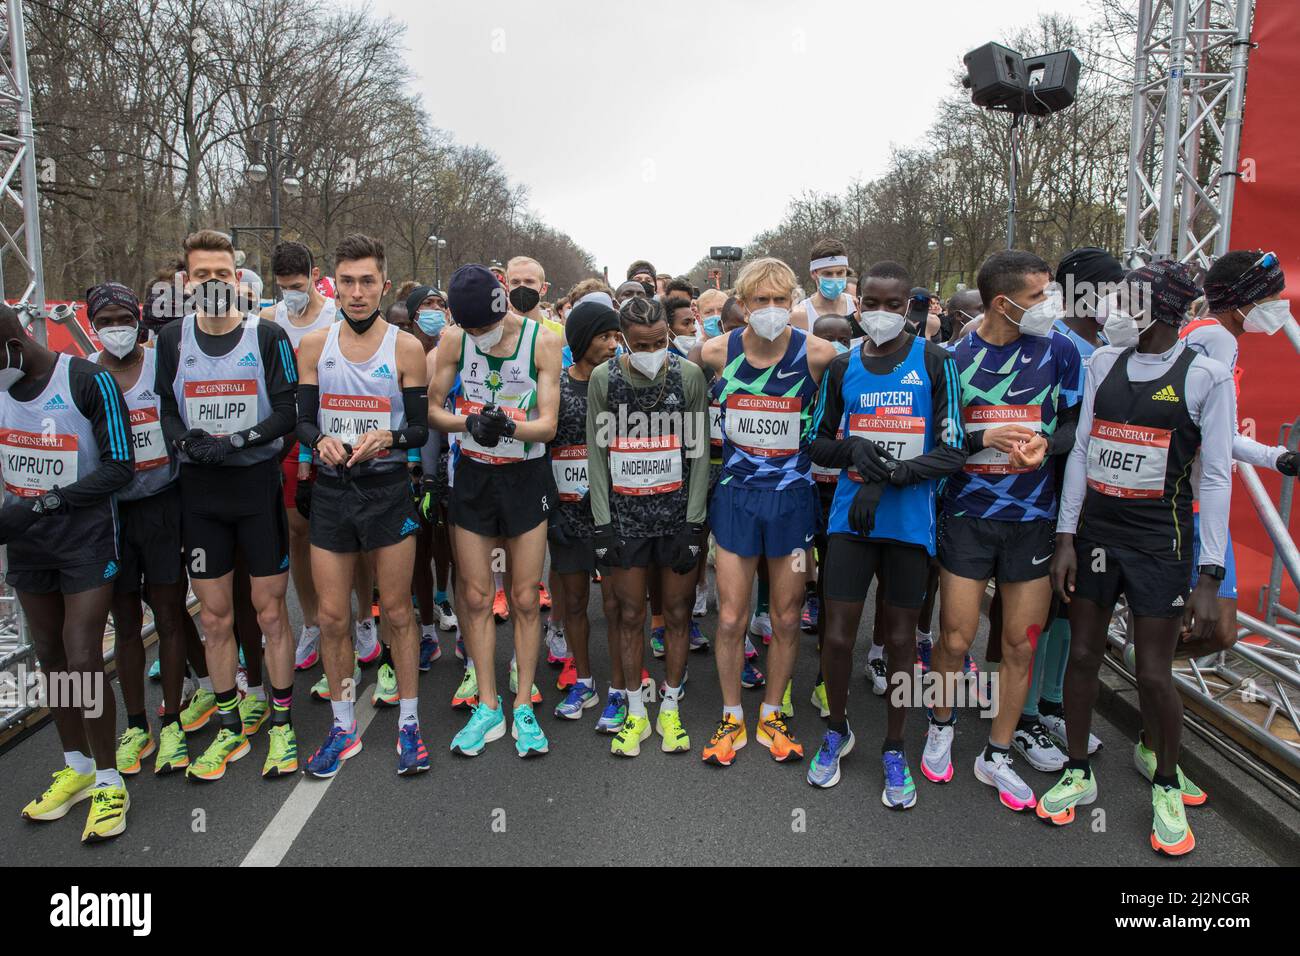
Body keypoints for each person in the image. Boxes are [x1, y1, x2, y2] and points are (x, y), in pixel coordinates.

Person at [1045, 260, 1234, 856]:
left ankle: (1166, 780)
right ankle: (1078, 769)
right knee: (1082, 654)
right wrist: (1066, 538)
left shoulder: (1205, 377)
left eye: (1126, 300)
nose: (1112, 310)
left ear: (1164, 308)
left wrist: (1210, 574)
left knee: (1153, 671)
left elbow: (1217, 478)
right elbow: (1081, 451)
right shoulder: (1104, 362)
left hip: (1161, 543)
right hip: (1098, 535)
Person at [923, 249, 1082, 813]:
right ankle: (940, 723)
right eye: (1040, 296)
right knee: (956, 638)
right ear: (1002, 303)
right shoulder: (949, 356)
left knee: (1020, 643)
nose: (1051, 306)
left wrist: (1045, 448)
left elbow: (1071, 426)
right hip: (966, 519)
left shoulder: (1060, 349)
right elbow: (935, 444)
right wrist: (981, 440)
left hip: (1032, 522)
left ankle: (996, 751)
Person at [807, 263, 966, 803]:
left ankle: (895, 747)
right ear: (858, 304)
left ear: (909, 308)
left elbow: (954, 450)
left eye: (893, 305)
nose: (881, 312)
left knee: (900, 641)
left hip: (906, 524)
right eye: (871, 301)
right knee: (836, 635)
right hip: (850, 522)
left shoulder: (936, 362)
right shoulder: (841, 367)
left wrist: (896, 474)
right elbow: (816, 442)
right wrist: (853, 450)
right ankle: (836, 730)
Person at [155, 229, 299, 783]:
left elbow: (287, 412)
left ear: (237, 279)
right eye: (201, 275)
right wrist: (185, 441)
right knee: (215, 619)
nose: (212, 283)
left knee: (268, 612)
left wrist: (239, 440)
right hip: (201, 493)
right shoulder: (172, 339)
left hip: (254, 486)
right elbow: (166, 406)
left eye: (222, 273)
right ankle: (231, 728)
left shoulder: (265, 336)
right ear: (186, 283)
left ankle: (282, 724)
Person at [294, 234, 430, 777]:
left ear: (383, 285)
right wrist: (316, 441)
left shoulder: (406, 347)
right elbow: (302, 420)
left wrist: (390, 438)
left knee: (396, 612)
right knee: (332, 616)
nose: (356, 292)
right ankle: (343, 727)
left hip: (386, 489)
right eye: (347, 281)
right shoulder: (314, 346)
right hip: (332, 491)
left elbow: (418, 426)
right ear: (335, 283)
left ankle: (410, 725)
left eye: (367, 281)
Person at [697, 257, 838, 767]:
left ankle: (773, 712)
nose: (773, 310)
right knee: (732, 616)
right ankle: (732, 714)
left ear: (795, 302)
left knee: (784, 616)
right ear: (743, 304)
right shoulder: (715, 352)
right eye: (762, 301)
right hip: (736, 500)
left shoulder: (819, 354)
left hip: (794, 504)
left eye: (782, 300)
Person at [7, 302, 135, 842]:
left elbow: (120, 467)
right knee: (51, 656)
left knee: (82, 653)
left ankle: (110, 779)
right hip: (27, 542)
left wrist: (46, 503)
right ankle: (78, 766)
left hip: (84, 537)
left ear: (12, 345)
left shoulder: (86, 378)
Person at [429, 263, 561, 757]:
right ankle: (488, 705)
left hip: (525, 478)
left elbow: (547, 425)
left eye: (484, 328)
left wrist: (504, 428)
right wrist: (467, 424)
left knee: (525, 598)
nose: (479, 338)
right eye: (471, 330)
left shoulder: (542, 340)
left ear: (502, 303)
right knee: (478, 597)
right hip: (475, 477)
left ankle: (523, 703)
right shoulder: (451, 341)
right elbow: (434, 408)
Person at [1010, 247, 1125, 772]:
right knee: (1040, 607)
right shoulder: (1049, 341)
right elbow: (1056, 428)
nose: (1121, 300)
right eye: (1113, 289)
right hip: (1042, 497)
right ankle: (1022, 713)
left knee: (1070, 606)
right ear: (1082, 290)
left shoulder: (1106, 345)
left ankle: (1051, 703)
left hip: (1089, 503)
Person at [586, 295, 710, 757]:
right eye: (642, 343)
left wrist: (695, 525)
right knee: (630, 616)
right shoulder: (605, 377)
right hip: (626, 520)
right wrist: (602, 525)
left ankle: (671, 706)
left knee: (677, 615)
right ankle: (637, 710)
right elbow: (597, 454)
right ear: (623, 339)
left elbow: (699, 454)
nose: (653, 349)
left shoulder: (688, 375)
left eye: (660, 341)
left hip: (676, 518)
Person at [85, 284, 193, 779]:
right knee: (125, 624)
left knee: (169, 612)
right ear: (91, 324)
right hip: (110, 512)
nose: (115, 328)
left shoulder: (158, 363)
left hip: (162, 503)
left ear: (137, 320)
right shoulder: (84, 373)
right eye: (105, 320)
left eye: (122, 318)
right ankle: (135, 725)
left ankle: (172, 719)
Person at [1178, 250, 1300, 655]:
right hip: (1192, 503)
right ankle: (1145, 667)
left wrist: (1278, 458)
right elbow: (1215, 436)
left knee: (1216, 630)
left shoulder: (1207, 333)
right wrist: (1275, 457)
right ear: (1242, 301)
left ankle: (1149, 671)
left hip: (1198, 502)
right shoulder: (1216, 337)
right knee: (1216, 630)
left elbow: (1219, 432)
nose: (1279, 308)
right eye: (1270, 299)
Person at [258, 241, 338, 673]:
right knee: (299, 535)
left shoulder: (335, 316)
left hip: (332, 436)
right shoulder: (268, 319)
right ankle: (311, 624)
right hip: (287, 439)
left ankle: (357, 619)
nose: (292, 292)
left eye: (299, 283)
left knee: (346, 539)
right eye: (284, 286)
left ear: (315, 273)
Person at [549, 301, 623, 719]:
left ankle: (618, 686)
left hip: (612, 513)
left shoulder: (623, 384)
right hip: (569, 513)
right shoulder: (556, 387)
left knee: (615, 605)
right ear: (580, 340)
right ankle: (584, 683)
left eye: (616, 336)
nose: (614, 344)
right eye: (604, 337)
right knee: (575, 603)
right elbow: (541, 450)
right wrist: (551, 508)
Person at [795, 238, 857, 332]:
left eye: (840, 272)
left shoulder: (856, 307)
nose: (835, 279)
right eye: (828, 274)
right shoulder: (800, 314)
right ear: (813, 273)